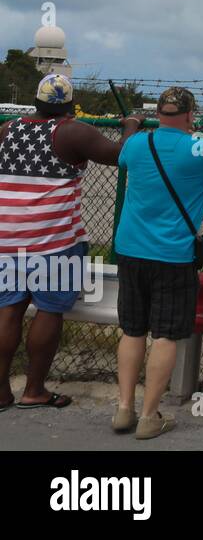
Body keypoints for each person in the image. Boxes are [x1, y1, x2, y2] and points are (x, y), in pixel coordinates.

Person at [112, 86, 203, 439]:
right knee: (166, 334)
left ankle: (124, 409)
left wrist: (131, 125)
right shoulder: (200, 149)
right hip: (173, 256)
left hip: (130, 249)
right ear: (190, 116)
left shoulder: (137, 144)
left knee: (132, 330)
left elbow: (124, 155)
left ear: (158, 114)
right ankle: (149, 416)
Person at [0, 74, 141, 412]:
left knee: (7, 311)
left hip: (6, 238)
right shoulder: (72, 131)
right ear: (68, 104)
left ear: (35, 100)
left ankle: (2, 392)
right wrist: (131, 125)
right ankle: (34, 390)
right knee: (49, 311)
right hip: (54, 241)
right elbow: (120, 155)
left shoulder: (7, 130)